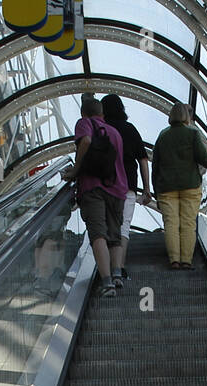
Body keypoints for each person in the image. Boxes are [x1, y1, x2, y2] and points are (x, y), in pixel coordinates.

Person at [62, 98, 128, 297]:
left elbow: (87, 140)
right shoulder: (115, 133)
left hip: (92, 187)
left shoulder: (84, 124)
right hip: (117, 188)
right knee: (115, 234)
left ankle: (106, 282)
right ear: (103, 115)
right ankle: (117, 274)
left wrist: (76, 169)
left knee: (98, 233)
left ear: (84, 113)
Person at [152, 102, 207, 269]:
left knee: (171, 223)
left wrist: (155, 190)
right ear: (186, 117)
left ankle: (174, 260)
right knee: (188, 223)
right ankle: (187, 260)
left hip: (166, 187)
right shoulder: (192, 134)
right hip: (190, 185)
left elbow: (156, 166)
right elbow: (203, 157)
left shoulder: (162, 136)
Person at [100, 93, 151, 279]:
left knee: (105, 226)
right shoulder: (130, 129)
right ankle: (119, 268)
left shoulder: (102, 130)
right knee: (124, 226)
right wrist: (146, 189)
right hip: (128, 186)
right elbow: (143, 159)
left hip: (105, 185)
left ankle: (106, 268)